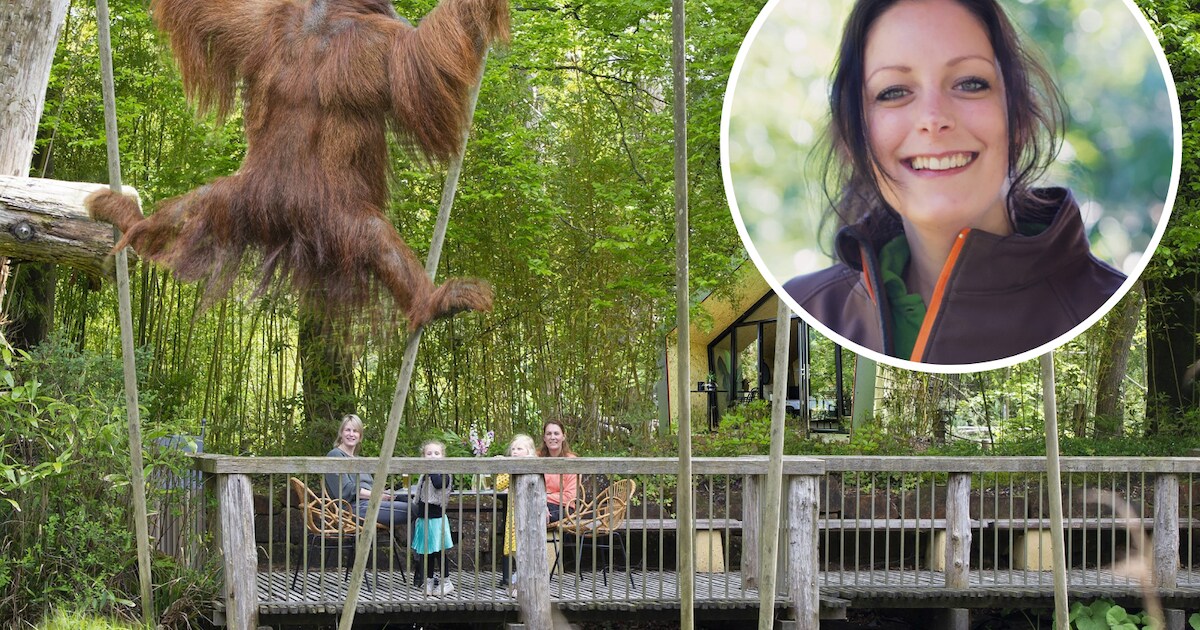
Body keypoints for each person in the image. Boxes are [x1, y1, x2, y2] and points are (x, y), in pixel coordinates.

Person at [783, 0, 1125, 365]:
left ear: (1019, 119)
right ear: (856, 137)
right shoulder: (801, 310)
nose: (933, 118)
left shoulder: (1110, 307)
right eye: (894, 91)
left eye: (970, 83)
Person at [324, 414, 410, 528]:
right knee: (413, 509)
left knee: (412, 501)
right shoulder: (335, 455)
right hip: (352, 509)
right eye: (347, 430)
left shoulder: (359, 460)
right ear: (341, 433)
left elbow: (371, 486)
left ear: (360, 436)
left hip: (372, 502)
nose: (351, 434)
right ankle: (421, 545)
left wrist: (387, 494)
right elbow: (346, 491)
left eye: (355, 431)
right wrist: (378, 495)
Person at [493, 433, 538, 594]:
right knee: (515, 551)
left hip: (528, 515)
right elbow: (499, 484)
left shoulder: (533, 466)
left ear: (529, 451)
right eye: (513, 449)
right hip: (513, 516)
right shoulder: (511, 468)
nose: (515, 451)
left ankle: (522, 584)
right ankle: (518, 580)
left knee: (526, 550)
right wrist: (504, 467)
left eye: (519, 448)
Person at [411, 439, 455, 597]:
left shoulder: (444, 474)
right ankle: (428, 580)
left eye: (437, 453)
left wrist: (432, 469)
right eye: (429, 454)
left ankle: (446, 581)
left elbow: (438, 484)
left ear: (443, 456)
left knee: (439, 552)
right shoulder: (424, 474)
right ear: (423, 456)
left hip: (436, 520)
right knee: (426, 553)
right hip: (424, 519)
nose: (433, 456)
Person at [538, 420, 579, 523]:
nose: (552, 437)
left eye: (556, 433)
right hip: (537, 503)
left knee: (536, 515)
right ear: (544, 438)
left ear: (563, 436)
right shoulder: (536, 457)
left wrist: (542, 498)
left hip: (563, 507)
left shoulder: (572, 461)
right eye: (548, 434)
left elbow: (569, 497)